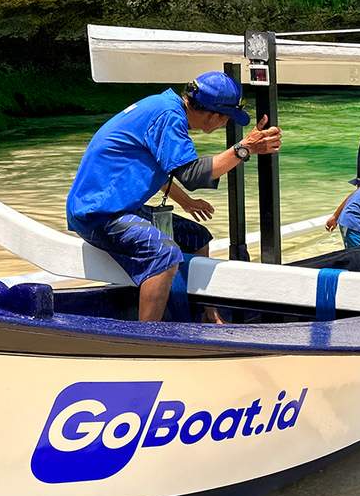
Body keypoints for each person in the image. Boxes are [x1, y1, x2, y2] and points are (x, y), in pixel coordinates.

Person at [66, 71, 282, 322]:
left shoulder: (164, 107)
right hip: (98, 213)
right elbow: (192, 175)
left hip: (120, 206)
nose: (226, 123)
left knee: (197, 236)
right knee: (164, 253)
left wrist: (185, 202)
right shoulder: (168, 117)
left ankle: (205, 314)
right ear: (213, 115)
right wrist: (244, 149)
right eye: (228, 118)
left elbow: (154, 165)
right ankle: (147, 338)